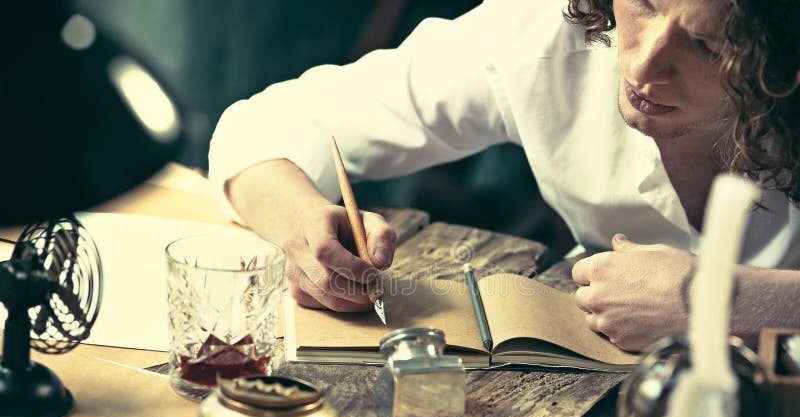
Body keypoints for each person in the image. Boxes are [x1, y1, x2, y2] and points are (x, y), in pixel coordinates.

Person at [208, 0, 800, 351]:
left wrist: (732, 305)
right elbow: (264, 126)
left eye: (706, 45)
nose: (644, 62)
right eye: (644, 2)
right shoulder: (542, 32)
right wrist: (302, 226)